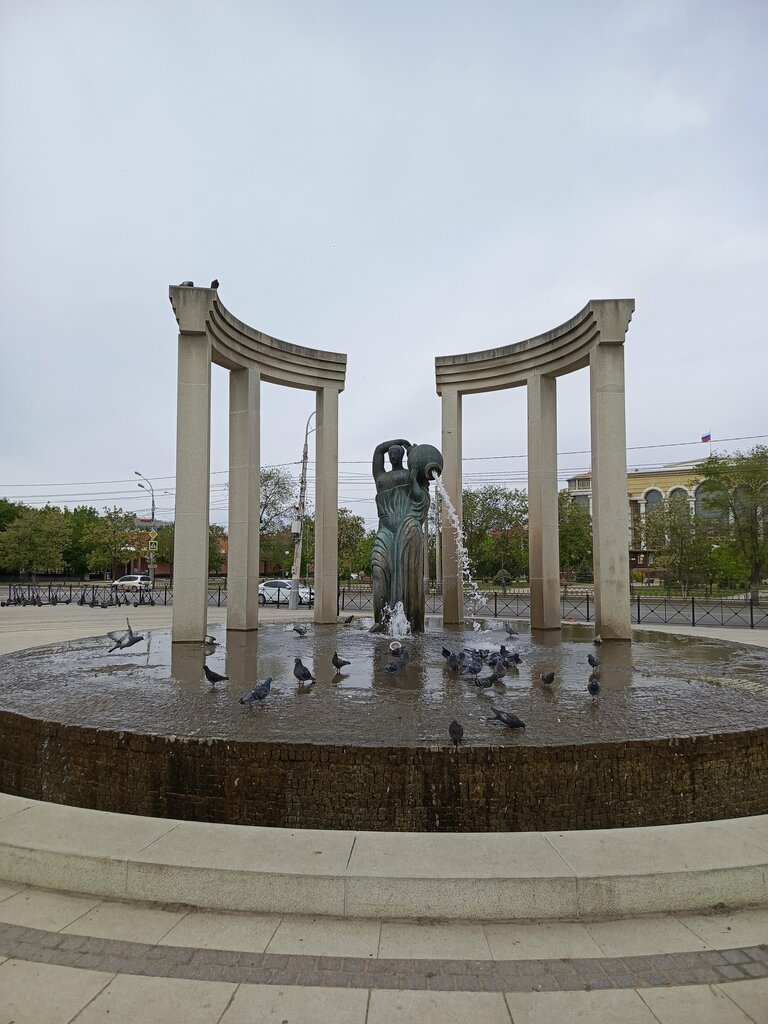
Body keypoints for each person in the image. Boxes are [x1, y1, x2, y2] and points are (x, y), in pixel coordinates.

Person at [371, 438, 431, 633]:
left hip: (407, 528)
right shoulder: (380, 477)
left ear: (402, 456)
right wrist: (399, 441)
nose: (392, 456)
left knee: (407, 575)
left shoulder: (409, 474)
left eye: (396, 453)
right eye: (390, 453)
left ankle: (412, 621)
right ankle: (381, 621)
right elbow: (378, 450)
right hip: (385, 530)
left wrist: (415, 459)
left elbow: (422, 496)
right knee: (378, 570)